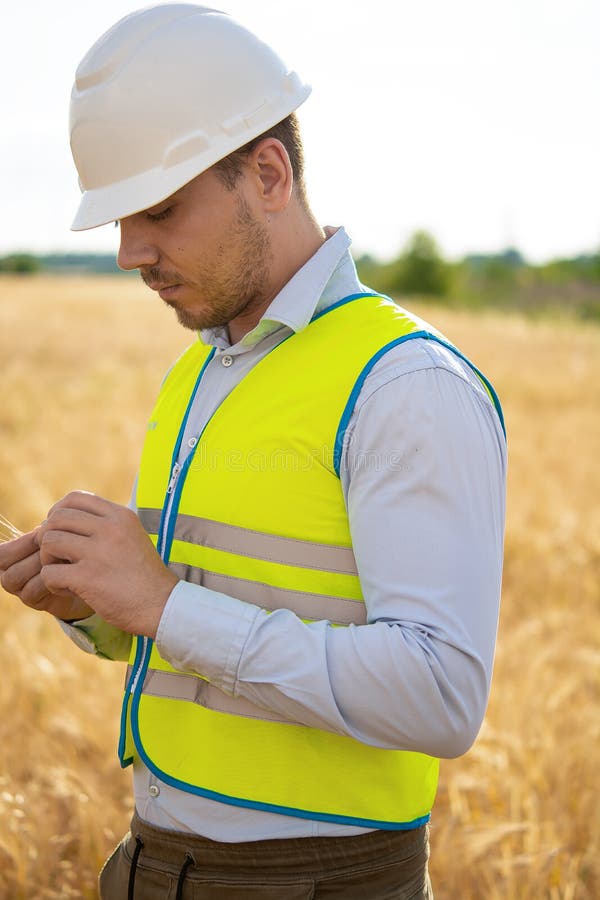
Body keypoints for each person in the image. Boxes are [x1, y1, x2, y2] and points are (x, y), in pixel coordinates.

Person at [0, 5, 507, 898]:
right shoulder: (202, 370)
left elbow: (441, 696)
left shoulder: (403, 384)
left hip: (315, 881)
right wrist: (94, 606)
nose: (129, 254)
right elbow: (188, 622)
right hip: (151, 860)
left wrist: (160, 601)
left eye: (158, 210)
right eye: (119, 221)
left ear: (267, 173)